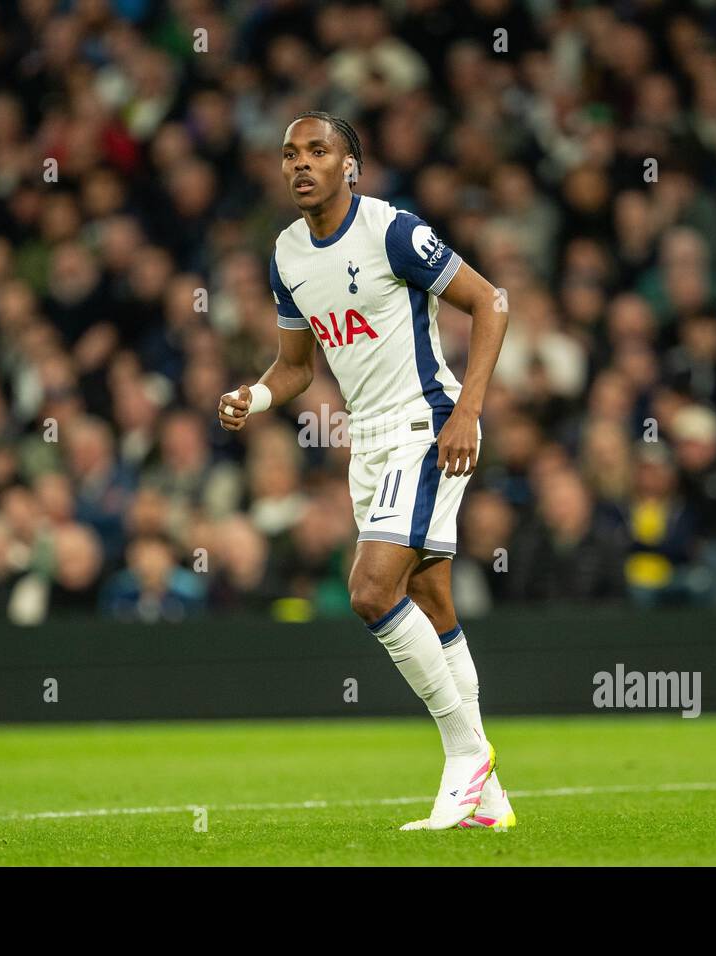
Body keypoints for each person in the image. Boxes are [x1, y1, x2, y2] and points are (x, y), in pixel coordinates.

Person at [218, 112, 512, 831]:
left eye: (318, 150)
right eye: (290, 153)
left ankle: (464, 754)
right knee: (432, 604)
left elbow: (490, 302)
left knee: (370, 592)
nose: (301, 164)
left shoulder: (393, 230)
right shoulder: (287, 254)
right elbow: (294, 369)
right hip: (368, 444)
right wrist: (251, 397)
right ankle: (490, 803)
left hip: (428, 427)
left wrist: (467, 412)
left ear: (351, 166)